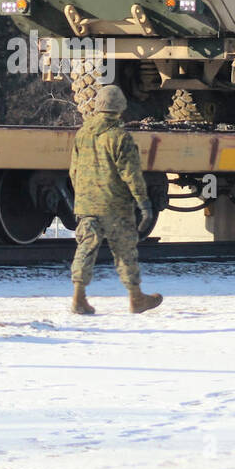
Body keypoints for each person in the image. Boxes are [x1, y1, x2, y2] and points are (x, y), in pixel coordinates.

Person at [68, 84, 163, 315]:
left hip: (87, 205)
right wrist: (144, 203)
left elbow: (74, 171)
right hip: (115, 206)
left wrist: (83, 196)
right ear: (120, 107)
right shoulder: (120, 137)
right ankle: (136, 298)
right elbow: (131, 175)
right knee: (125, 252)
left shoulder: (82, 134)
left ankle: (78, 298)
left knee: (85, 249)